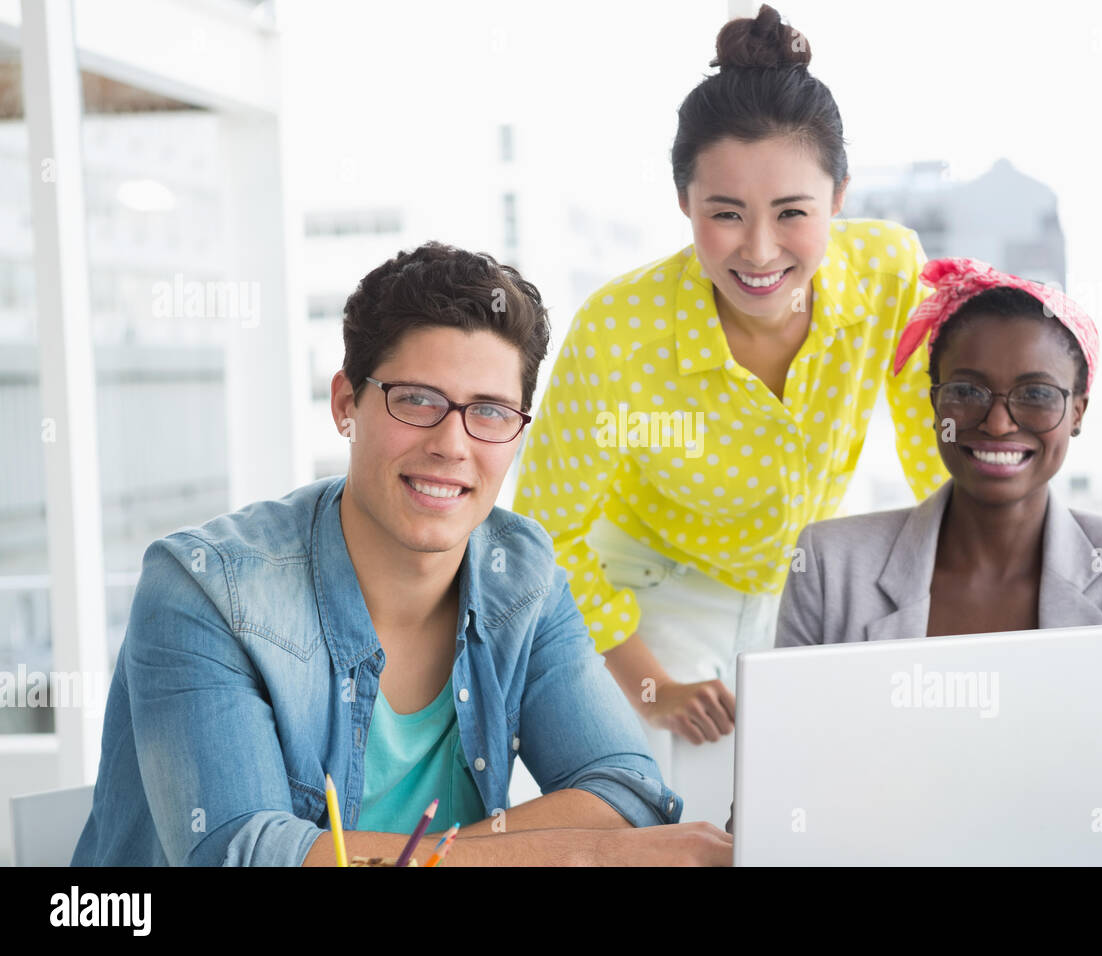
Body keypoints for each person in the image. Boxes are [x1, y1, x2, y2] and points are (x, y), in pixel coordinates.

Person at [72, 242, 732, 866]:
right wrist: (581, 855)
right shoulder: (205, 589)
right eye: (416, 400)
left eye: (492, 412)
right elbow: (242, 852)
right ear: (344, 404)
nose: (453, 444)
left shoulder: (521, 573)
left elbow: (628, 792)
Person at [512, 4, 947, 827]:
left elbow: (934, 457)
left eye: (792, 212)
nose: (757, 250)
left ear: (839, 197)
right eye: (725, 213)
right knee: (685, 815)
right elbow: (545, 536)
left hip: (806, 586)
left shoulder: (890, 270)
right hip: (650, 591)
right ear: (684, 202)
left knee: (833, 813)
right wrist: (650, 683)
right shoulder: (619, 331)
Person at [776, 257, 1102, 833]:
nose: (996, 423)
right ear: (935, 404)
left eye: (1036, 395)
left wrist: (1070, 737)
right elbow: (784, 768)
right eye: (967, 390)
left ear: (1078, 412)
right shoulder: (830, 561)